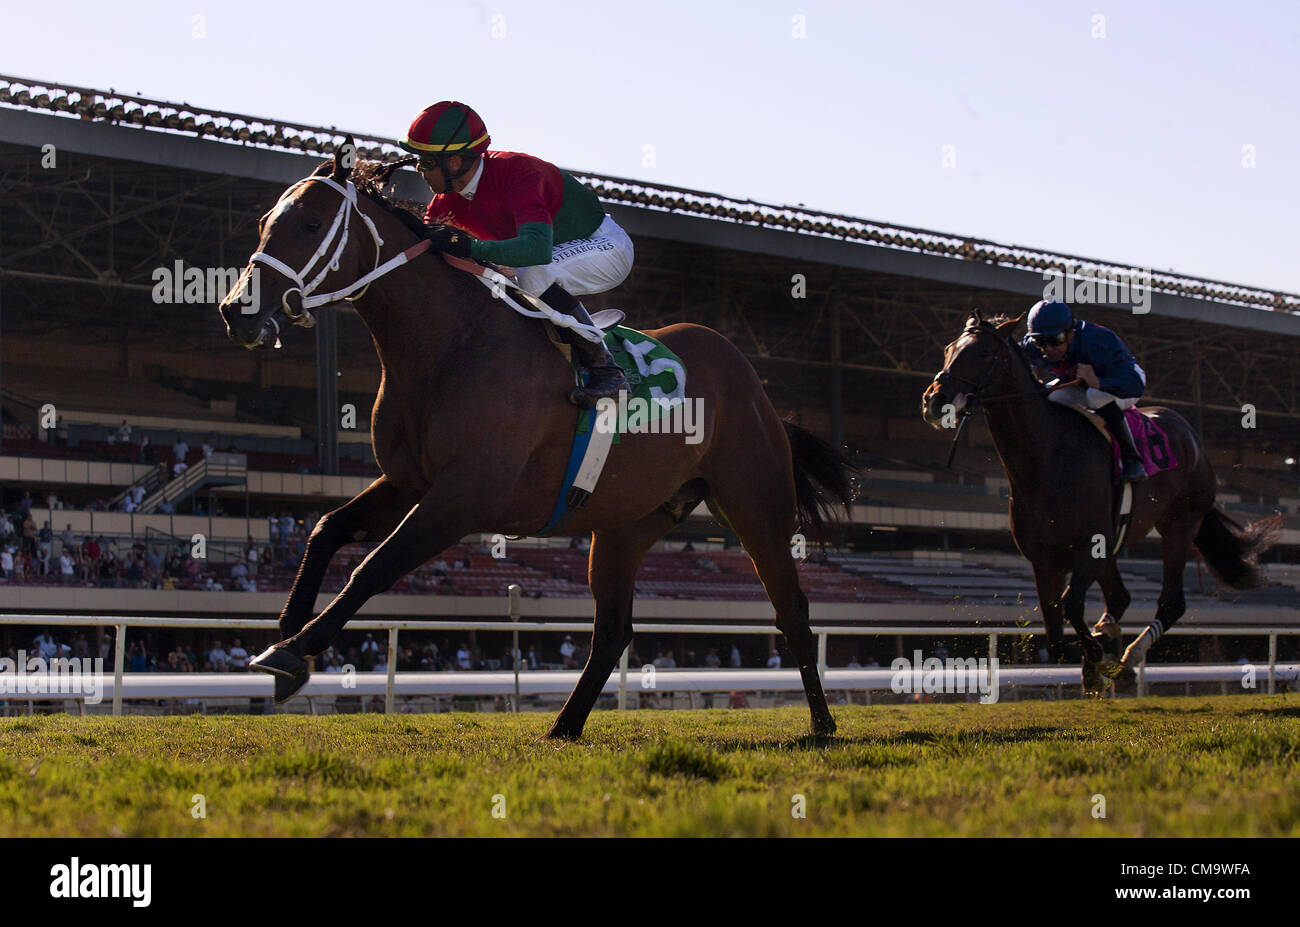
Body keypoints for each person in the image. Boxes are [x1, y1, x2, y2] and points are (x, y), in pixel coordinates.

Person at [398, 101, 632, 408]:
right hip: (550, 255)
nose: (420, 171)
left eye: (426, 162)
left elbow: (536, 248)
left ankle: (607, 369)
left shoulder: (518, 173)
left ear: (454, 162)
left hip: (606, 248)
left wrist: (473, 248)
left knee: (532, 273)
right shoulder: (444, 204)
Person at [1020, 300, 1148, 483]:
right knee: (1051, 396)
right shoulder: (1033, 346)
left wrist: (1098, 382)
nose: (1048, 349)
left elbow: (1135, 385)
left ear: (1071, 334)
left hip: (1123, 383)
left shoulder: (1099, 341)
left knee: (1094, 397)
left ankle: (1133, 460)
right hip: (1081, 386)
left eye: (1056, 340)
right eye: (1040, 341)